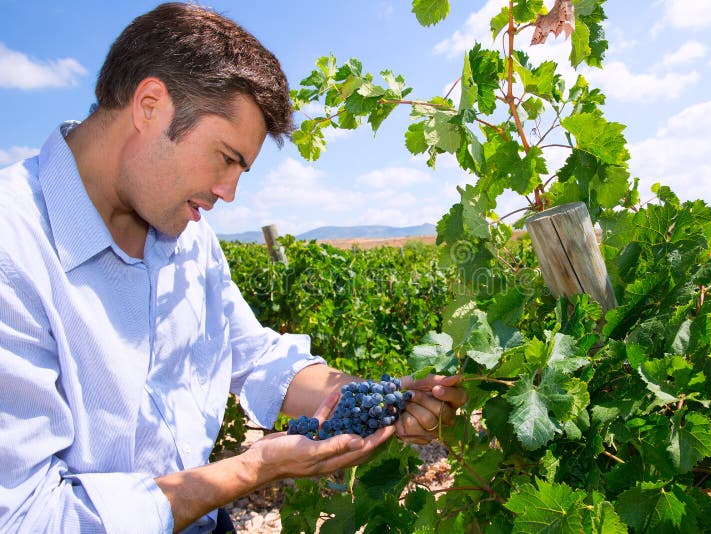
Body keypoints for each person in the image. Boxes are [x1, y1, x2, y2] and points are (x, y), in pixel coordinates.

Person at [0, 3, 466, 533]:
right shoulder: (12, 249)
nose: (229, 192)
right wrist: (250, 468)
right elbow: (27, 518)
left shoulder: (189, 236)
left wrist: (368, 396)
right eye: (225, 158)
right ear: (149, 106)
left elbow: (253, 356)